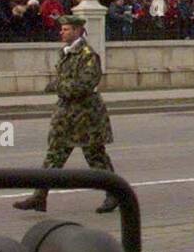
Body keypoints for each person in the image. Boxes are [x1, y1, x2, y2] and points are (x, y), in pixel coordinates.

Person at [14, 15, 119, 215]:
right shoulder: (66, 52)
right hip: (66, 115)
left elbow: (85, 85)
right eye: (62, 29)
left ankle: (114, 193)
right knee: (54, 156)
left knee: (96, 157)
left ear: (79, 31)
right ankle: (39, 196)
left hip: (86, 116)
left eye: (67, 29)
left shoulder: (87, 54)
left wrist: (57, 86)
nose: (62, 32)